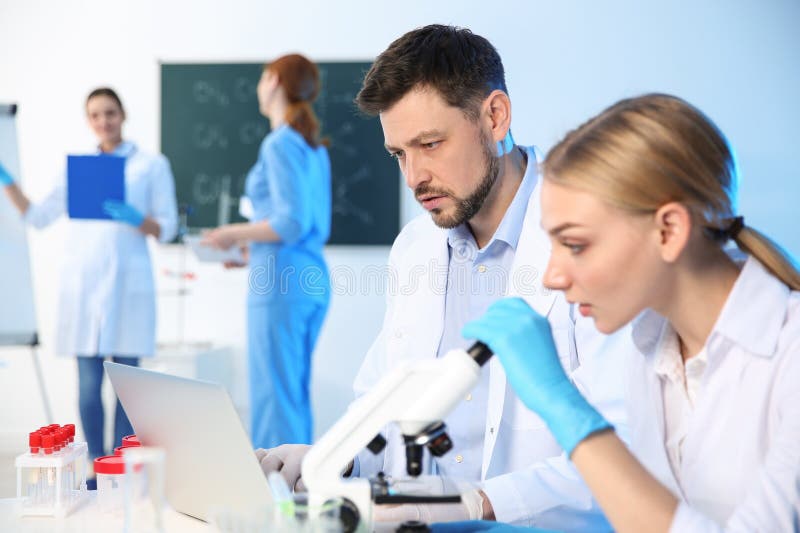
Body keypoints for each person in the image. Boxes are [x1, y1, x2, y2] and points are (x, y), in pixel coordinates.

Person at [256, 26, 635, 530]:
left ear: (495, 116)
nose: (413, 177)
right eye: (399, 155)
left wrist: (472, 501)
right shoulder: (415, 247)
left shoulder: (593, 241)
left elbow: (622, 455)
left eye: (430, 144)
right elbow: (380, 406)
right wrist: (331, 459)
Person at [456, 94, 800, 532]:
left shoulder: (791, 359)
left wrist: (566, 409)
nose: (552, 277)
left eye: (576, 245)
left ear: (669, 230)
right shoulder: (650, 349)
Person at [0, 88, 178, 464]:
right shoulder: (77, 170)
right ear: (88, 120)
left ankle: (123, 464)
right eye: (95, 115)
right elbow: (37, 216)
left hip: (128, 286)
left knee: (130, 388)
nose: (103, 122)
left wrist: (137, 219)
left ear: (123, 114)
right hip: (84, 289)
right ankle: (97, 465)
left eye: (110, 112)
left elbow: (168, 227)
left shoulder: (150, 164)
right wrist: (7, 180)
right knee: (87, 386)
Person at [203, 54, 332, 449]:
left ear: (274, 80)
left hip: (279, 285)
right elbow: (310, 225)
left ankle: (275, 502)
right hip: (307, 279)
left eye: (262, 78)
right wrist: (248, 251)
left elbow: (290, 222)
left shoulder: (278, 143)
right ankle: (295, 494)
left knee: (274, 399)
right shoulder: (313, 147)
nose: (259, 87)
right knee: (291, 394)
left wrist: (230, 232)